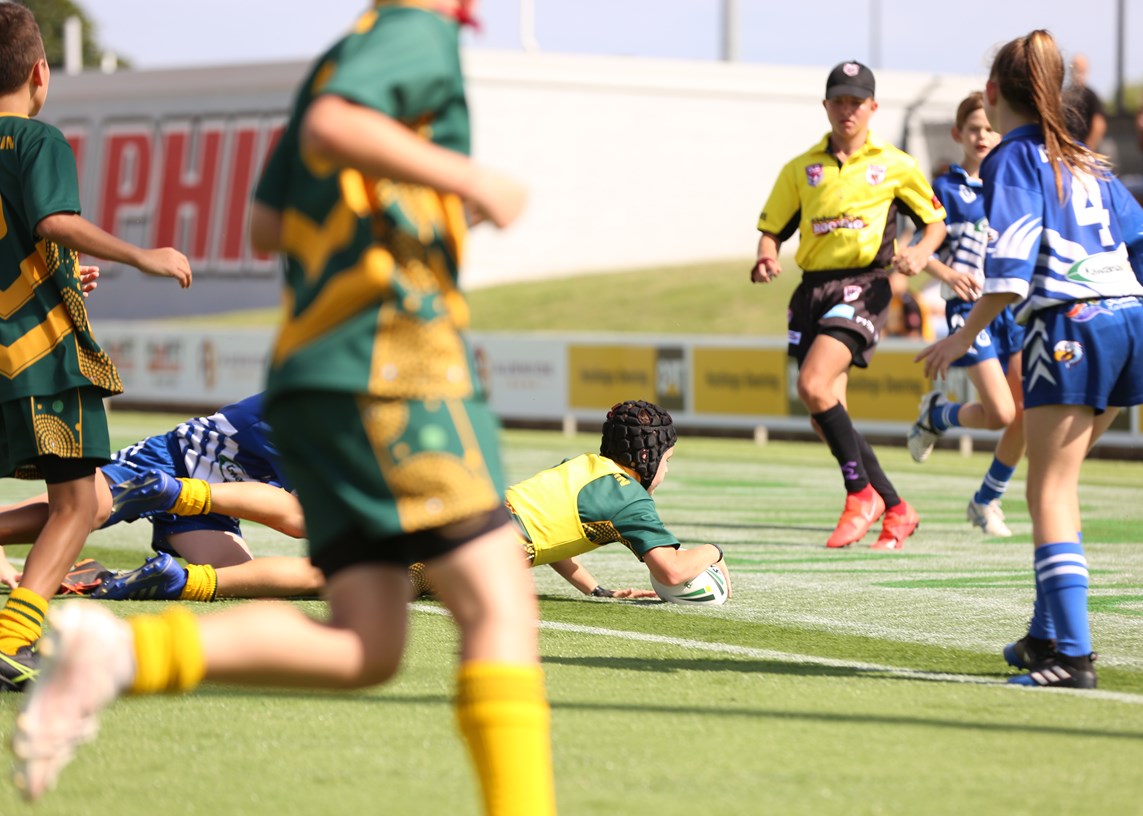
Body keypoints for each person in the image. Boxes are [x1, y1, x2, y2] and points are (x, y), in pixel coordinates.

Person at [12, 4, 557, 814]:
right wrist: (469, 181)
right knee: (499, 604)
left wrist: (414, 207)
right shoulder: (418, 29)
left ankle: (120, 653)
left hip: (312, 371)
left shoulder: (340, 57)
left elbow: (269, 223)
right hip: (396, 368)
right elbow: (340, 128)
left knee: (365, 646)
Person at [916, 30, 1143, 690]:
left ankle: (1074, 660)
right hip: (1130, 322)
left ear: (995, 94)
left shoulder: (1013, 159)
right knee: (1058, 484)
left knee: (1048, 490)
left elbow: (1006, 270)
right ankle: (1046, 636)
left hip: (1071, 325)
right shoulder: (1087, 159)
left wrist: (957, 337)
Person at [0, 4, 192, 693]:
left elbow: (25, 241)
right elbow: (54, 218)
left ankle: (16, 631)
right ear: (39, 72)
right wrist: (143, 255)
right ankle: (11, 635)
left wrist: (54, 269)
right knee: (80, 507)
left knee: (76, 503)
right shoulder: (36, 139)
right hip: (38, 356)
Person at [85, 400, 729, 605]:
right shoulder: (634, 503)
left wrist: (592, 589)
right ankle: (181, 575)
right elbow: (673, 570)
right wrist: (717, 554)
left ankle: (179, 497)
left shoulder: (585, 471)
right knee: (319, 570)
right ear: (651, 458)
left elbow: (556, 532)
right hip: (463, 548)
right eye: (668, 458)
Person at [751, 59, 946, 550]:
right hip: (812, 289)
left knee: (813, 385)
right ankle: (897, 508)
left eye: (856, 102)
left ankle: (860, 495)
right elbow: (772, 228)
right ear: (826, 106)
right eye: (838, 100)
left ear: (873, 107)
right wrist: (765, 256)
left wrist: (921, 252)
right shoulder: (800, 168)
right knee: (824, 411)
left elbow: (935, 221)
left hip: (865, 285)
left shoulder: (897, 164)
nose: (847, 110)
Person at [0, 392, 315, 597]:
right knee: (84, 510)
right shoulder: (315, 412)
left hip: (210, 500)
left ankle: (143, 578)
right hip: (168, 460)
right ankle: (173, 493)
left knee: (242, 579)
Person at [906, 91, 1025, 538]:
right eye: (974, 128)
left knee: (1024, 413)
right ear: (958, 134)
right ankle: (938, 415)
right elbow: (915, 250)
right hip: (966, 312)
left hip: (1013, 312)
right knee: (1000, 413)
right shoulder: (946, 189)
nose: (983, 136)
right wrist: (946, 272)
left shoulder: (1012, 185)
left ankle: (987, 499)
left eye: (990, 127)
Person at [1068, 54, 1107, 151]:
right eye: (1075, 69)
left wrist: (1088, 147)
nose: (1077, 73)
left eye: (1079, 69)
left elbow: (1099, 123)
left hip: (1084, 150)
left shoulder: (1090, 96)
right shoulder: (1065, 95)